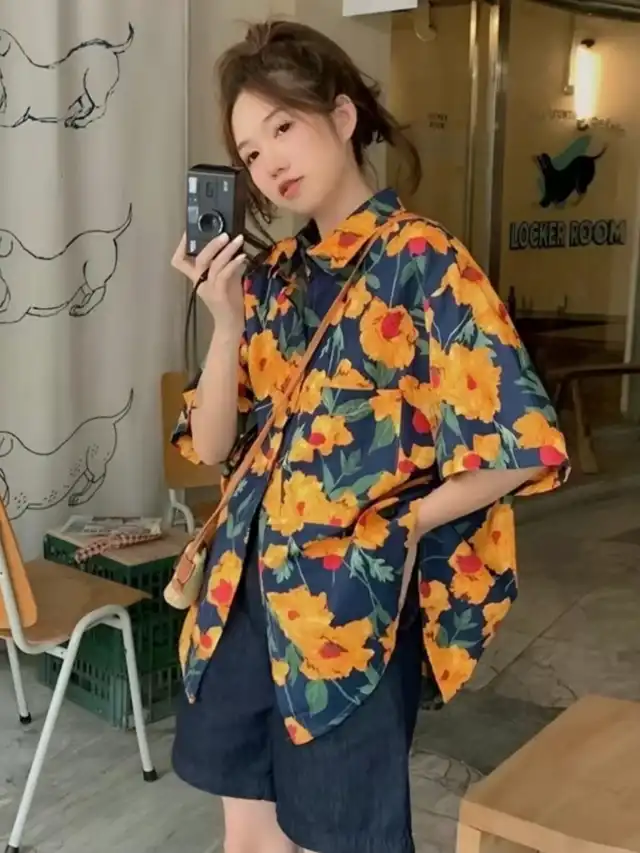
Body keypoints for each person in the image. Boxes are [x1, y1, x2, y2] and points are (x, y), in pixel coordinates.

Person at [168, 18, 569, 853]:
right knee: (249, 838)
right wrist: (224, 320)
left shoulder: (424, 262)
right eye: (250, 152)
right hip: (241, 601)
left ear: (344, 117)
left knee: (342, 838)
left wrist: (404, 525)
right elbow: (209, 448)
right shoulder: (271, 283)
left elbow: (522, 440)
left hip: (347, 613)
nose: (269, 163)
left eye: (284, 126)